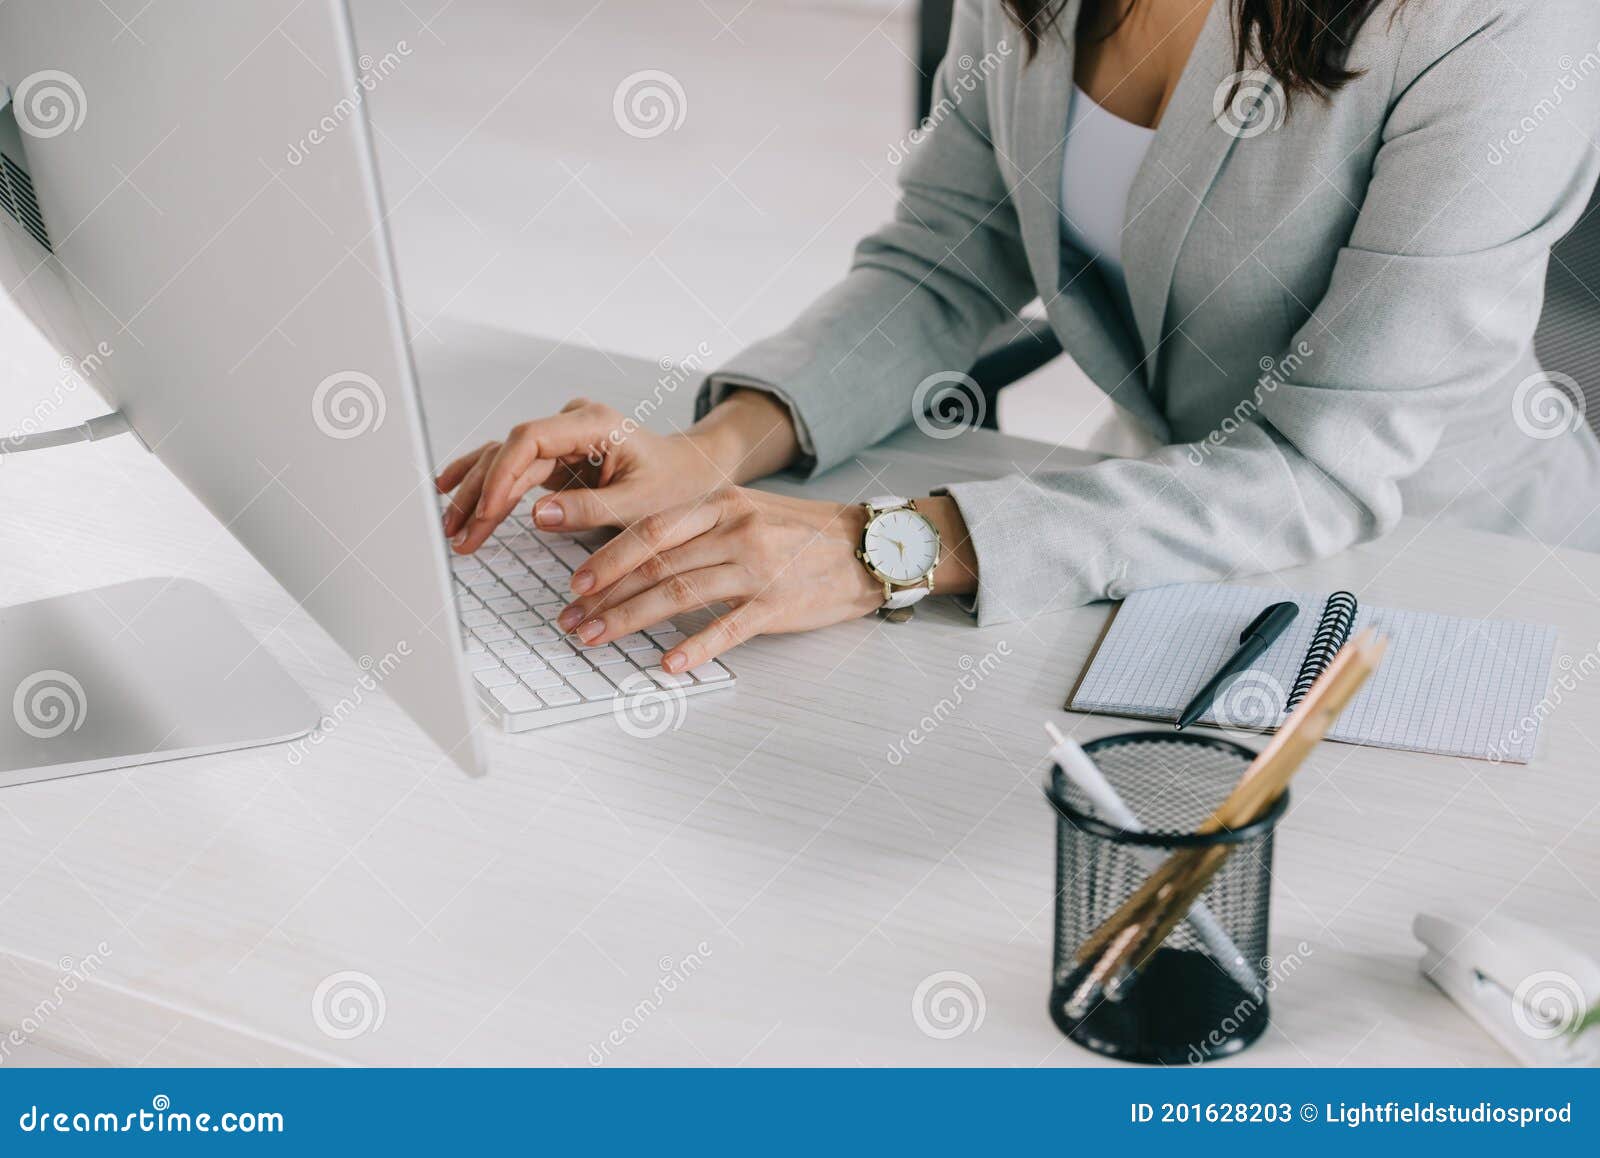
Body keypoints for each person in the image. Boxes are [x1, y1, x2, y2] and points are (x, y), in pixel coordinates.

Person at [437, 0, 1600, 677]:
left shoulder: (1503, 27)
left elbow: (1319, 466)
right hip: (1167, 529)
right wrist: (715, 448)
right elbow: (946, 257)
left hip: (1453, 584)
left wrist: (887, 546)